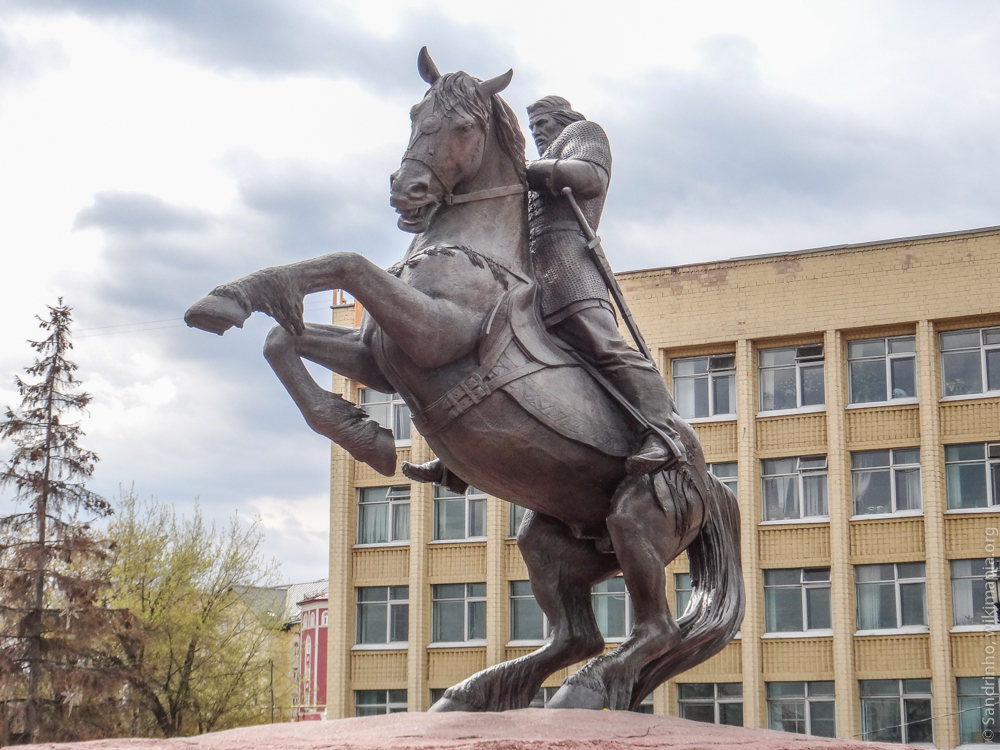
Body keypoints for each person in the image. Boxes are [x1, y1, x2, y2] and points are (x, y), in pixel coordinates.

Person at [403, 96, 686, 492]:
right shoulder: (526, 168)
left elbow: (590, 177)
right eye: (532, 124)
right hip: (525, 271)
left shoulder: (583, 134)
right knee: (486, 351)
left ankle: (663, 432)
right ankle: (458, 460)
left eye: (544, 121)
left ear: (564, 118)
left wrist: (525, 169)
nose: (537, 130)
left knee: (602, 342)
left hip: (567, 261)